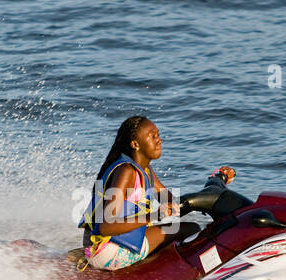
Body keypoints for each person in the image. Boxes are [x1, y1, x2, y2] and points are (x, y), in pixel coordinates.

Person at [79, 115, 234, 270]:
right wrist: (154, 216)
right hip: (106, 251)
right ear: (135, 144)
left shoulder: (144, 169)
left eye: (158, 135)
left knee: (180, 227)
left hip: (102, 246)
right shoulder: (127, 172)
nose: (159, 140)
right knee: (191, 229)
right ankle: (161, 273)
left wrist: (217, 180)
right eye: (152, 136)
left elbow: (168, 199)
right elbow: (107, 227)